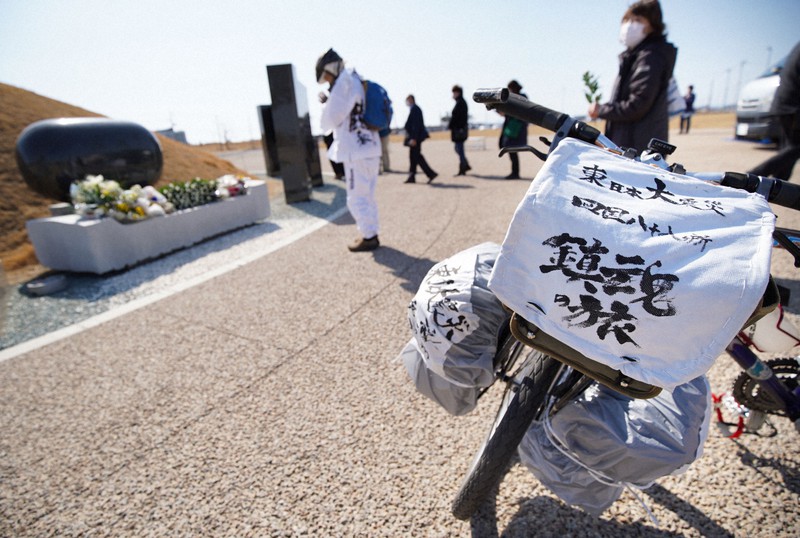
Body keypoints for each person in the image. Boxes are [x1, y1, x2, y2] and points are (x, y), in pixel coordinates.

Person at [588, 0, 677, 153]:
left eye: (638, 20)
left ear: (652, 25)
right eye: (627, 20)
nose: (630, 25)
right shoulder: (636, 56)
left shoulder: (651, 57)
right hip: (633, 140)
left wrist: (602, 110)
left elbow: (638, 104)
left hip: (637, 144)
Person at [317, 48, 382, 252]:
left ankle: (369, 236)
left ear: (331, 68)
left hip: (356, 150)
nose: (327, 81)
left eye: (326, 76)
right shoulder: (355, 79)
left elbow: (329, 121)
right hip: (369, 147)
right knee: (367, 195)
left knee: (356, 197)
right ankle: (371, 232)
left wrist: (327, 103)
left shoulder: (343, 82)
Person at [750, 41, 800, 180]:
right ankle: (754, 175)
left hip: (783, 102)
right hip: (794, 105)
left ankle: (778, 185)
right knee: (795, 148)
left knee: (788, 150)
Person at [403, 95, 438, 184]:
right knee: (413, 156)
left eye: (408, 100)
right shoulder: (414, 109)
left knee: (417, 156)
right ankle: (412, 175)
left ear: (411, 100)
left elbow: (416, 125)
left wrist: (414, 138)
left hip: (416, 138)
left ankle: (430, 173)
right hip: (415, 137)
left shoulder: (415, 110)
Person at [499, 80, 528, 179]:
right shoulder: (516, 97)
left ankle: (515, 172)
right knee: (511, 151)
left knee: (512, 150)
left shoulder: (520, 98)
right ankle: (514, 172)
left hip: (516, 129)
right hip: (513, 128)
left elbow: (516, 112)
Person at [448, 85, 471, 175]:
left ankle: (463, 168)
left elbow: (459, 117)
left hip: (459, 130)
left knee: (459, 149)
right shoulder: (460, 102)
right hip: (459, 129)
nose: (453, 95)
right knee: (458, 149)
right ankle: (465, 165)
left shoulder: (461, 103)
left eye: (454, 92)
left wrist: (458, 127)